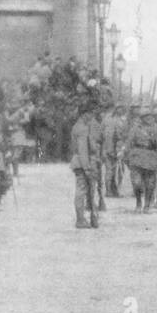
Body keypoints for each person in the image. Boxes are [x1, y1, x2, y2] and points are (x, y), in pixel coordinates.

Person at [69, 97, 100, 229]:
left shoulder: (78, 126)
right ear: (85, 114)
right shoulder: (82, 128)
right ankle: (80, 220)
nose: (92, 116)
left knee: (84, 191)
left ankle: (83, 218)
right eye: (90, 114)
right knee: (82, 191)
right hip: (83, 163)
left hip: (80, 162)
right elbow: (82, 150)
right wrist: (87, 168)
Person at [125, 106, 157, 213]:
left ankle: (147, 205)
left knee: (150, 184)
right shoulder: (135, 128)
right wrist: (124, 153)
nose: (149, 118)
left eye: (150, 116)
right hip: (137, 158)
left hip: (151, 158)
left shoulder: (155, 129)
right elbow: (128, 142)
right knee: (137, 183)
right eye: (146, 116)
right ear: (142, 118)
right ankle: (138, 203)